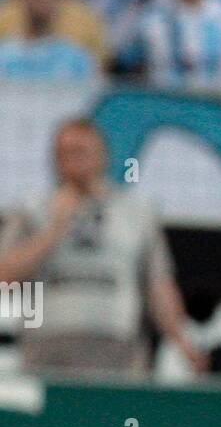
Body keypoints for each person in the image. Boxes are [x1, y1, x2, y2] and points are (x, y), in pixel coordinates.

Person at [0, 118, 206, 376]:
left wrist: (182, 340)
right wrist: (52, 231)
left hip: (115, 342)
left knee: (112, 413)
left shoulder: (136, 211)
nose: (73, 160)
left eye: (81, 152)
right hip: (46, 342)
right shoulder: (32, 209)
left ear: (103, 156)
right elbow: (4, 274)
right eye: (65, 153)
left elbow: (158, 284)